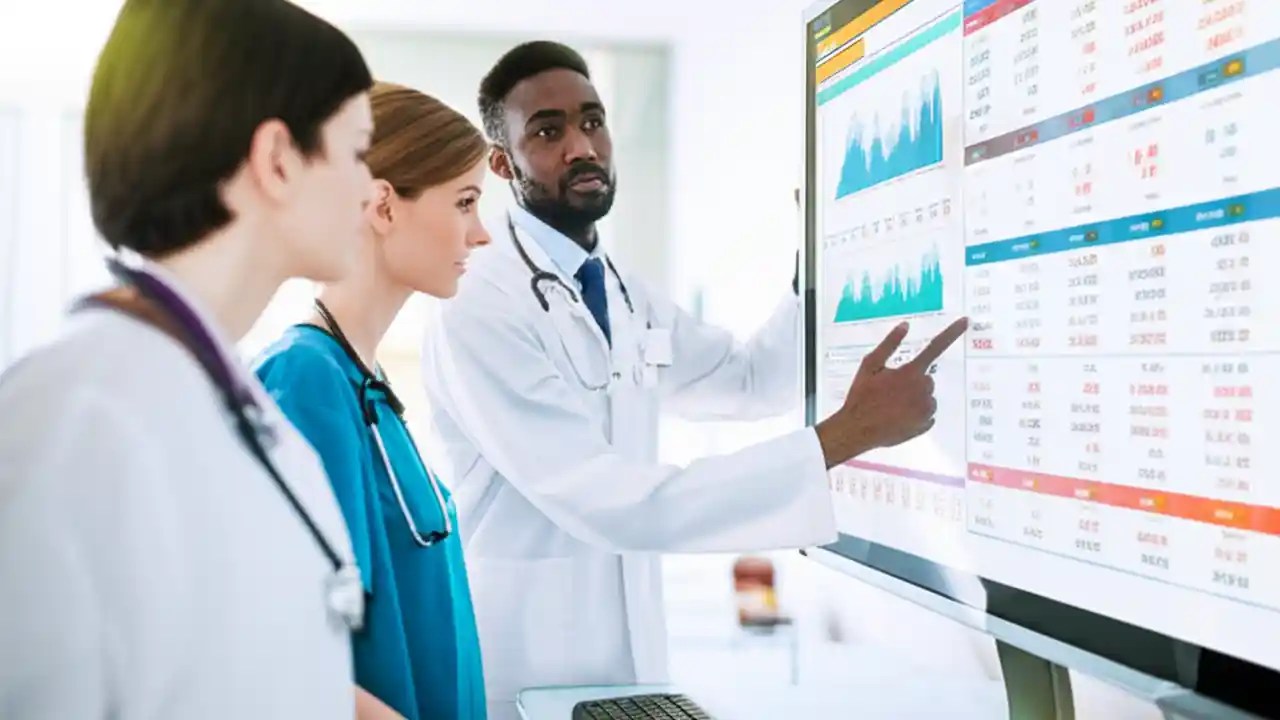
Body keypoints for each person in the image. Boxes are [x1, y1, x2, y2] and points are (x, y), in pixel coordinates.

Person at [419, 40, 968, 719]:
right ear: (502, 162)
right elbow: (609, 498)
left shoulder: (620, 290)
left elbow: (745, 381)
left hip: (629, 674)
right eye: (548, 131)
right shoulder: (480, 304)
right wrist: (846, 434)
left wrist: (809, 265)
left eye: (592, 121)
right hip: (524, 675)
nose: (581, 147)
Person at [0, 1, 375, 717]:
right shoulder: (71, 422)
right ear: (277, 158)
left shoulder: (218, 397)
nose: (369, 186)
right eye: (358, 150)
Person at [254, 82, 491, 720]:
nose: (483, 233)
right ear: (383, 206)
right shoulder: (304, 381)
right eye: (465, 203)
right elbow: (291, 650)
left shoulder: (365, 386)